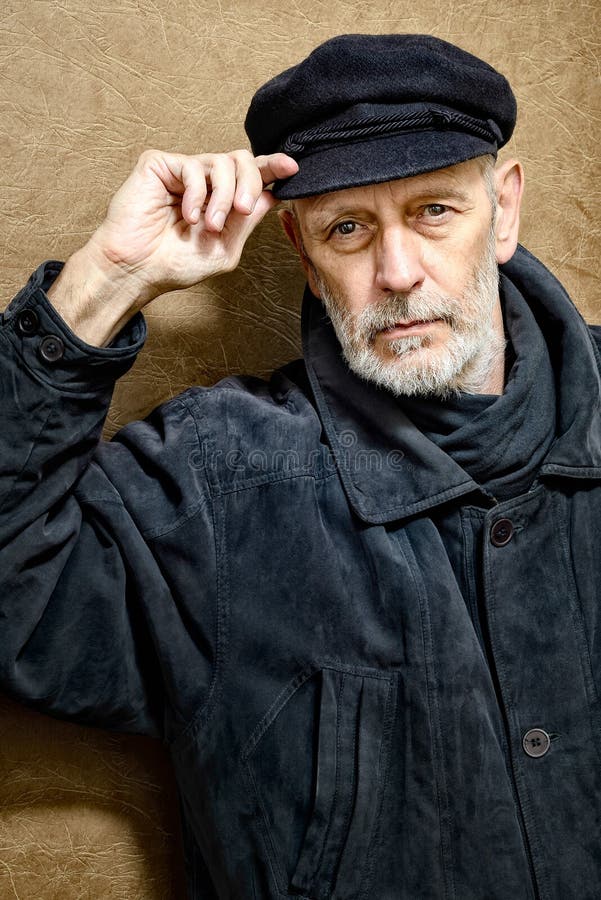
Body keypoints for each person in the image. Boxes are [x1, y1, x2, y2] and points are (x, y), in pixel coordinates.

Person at [1, 32, 599, 900]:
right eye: (347, 228)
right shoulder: (215, 478)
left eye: (434, 210)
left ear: (502, 209)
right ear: (302, 251)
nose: (397, 272)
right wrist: (109, 277)